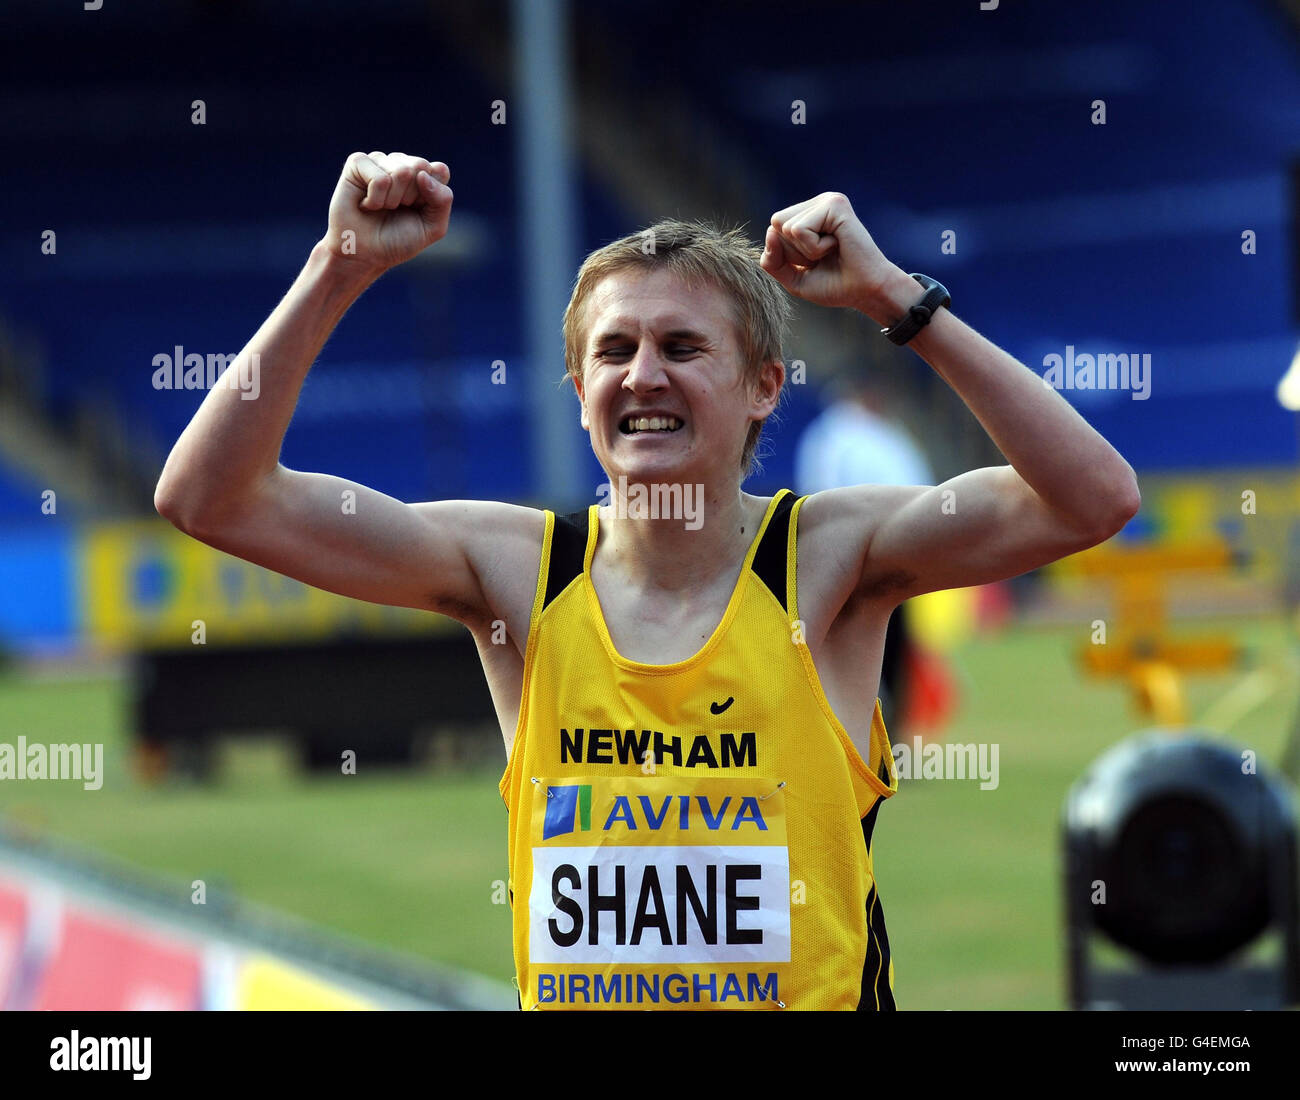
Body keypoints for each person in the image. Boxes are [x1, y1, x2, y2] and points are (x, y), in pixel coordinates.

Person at [154, 152, 1141, 1010]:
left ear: (764, 385)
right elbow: (212, 498)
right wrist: (340, 267)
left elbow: (1090, 497)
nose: (643, 374)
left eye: (681, 346)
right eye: (613, 350)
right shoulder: (512, 573)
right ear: (578, 390)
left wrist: (897, 300)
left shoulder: (830, 557)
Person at [795, 374, 934, 727]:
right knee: (865, 651)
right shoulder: (839, 436)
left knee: (893, 649)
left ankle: (888, 736)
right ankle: (864, 736)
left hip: (894, 552)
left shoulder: (879, 433)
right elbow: (823, 495)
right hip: (861, 556)